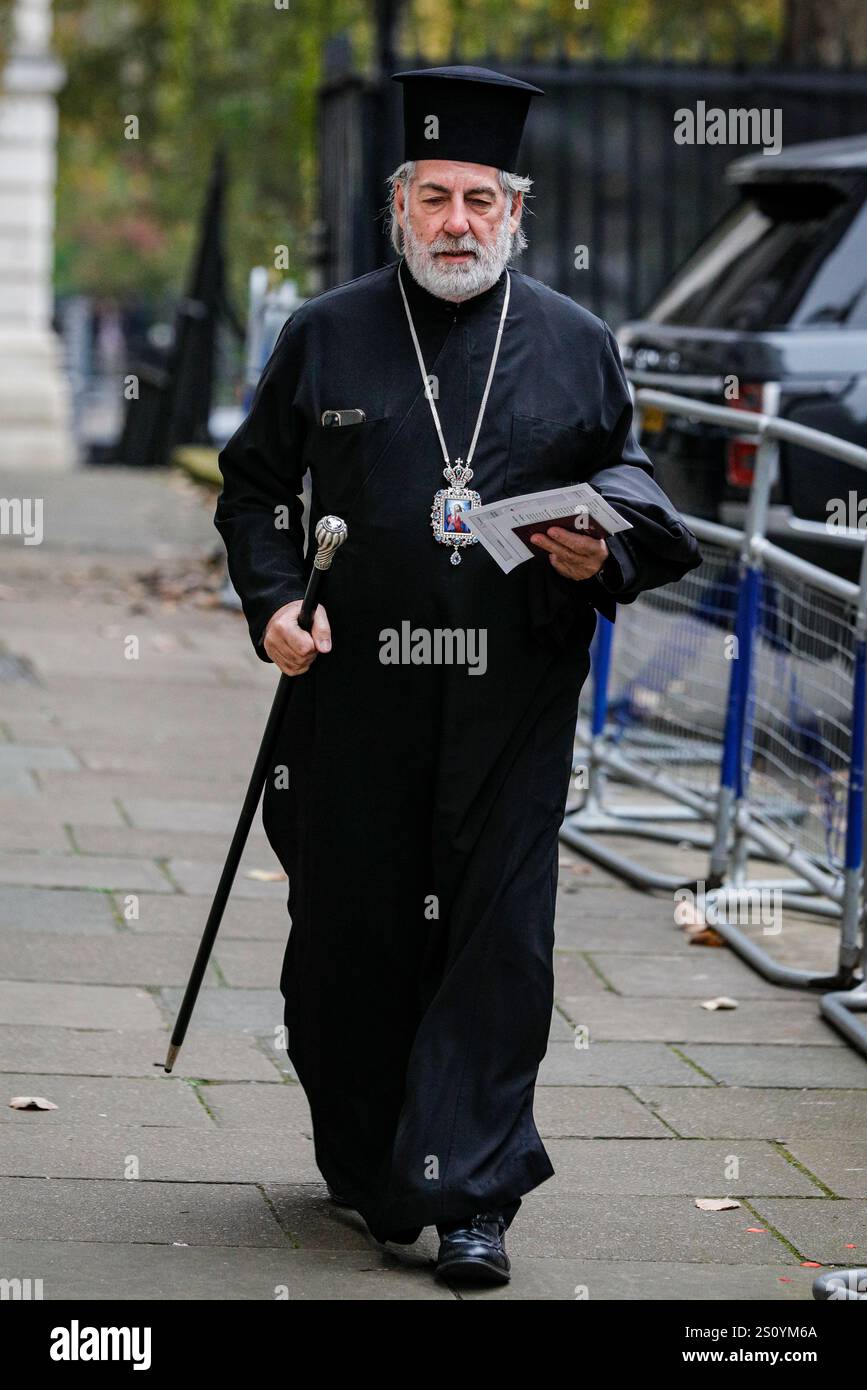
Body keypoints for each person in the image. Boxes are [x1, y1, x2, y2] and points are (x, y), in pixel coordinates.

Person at [215, 64, 701, 1287]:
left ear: (516, 212)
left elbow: (634, 487)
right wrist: (276, 607)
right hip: (354, 697)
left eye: (482, 199)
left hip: (512, 697)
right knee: (348, 942)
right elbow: (255, 490)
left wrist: (601, 547)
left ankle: (475, 1193)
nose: (458, 223)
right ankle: (381, 1161)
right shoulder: (326, 334)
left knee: (497, 944)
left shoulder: (576, 344)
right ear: (400, 207)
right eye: (435, 197)